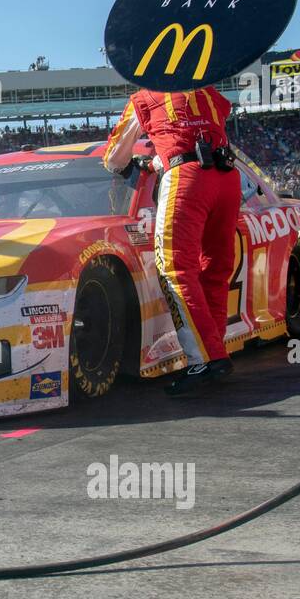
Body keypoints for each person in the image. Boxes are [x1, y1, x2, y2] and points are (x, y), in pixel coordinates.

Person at [103, 86, 241, 395]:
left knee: (174, 268)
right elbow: (210, 122)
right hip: (227, 176)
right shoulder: (208, 90)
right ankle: (215, 352)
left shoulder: (144, 96)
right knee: (215, 270)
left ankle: (203, 360)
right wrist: (159, 160)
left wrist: (140, 162)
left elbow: (114, 158)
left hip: (188, 179)